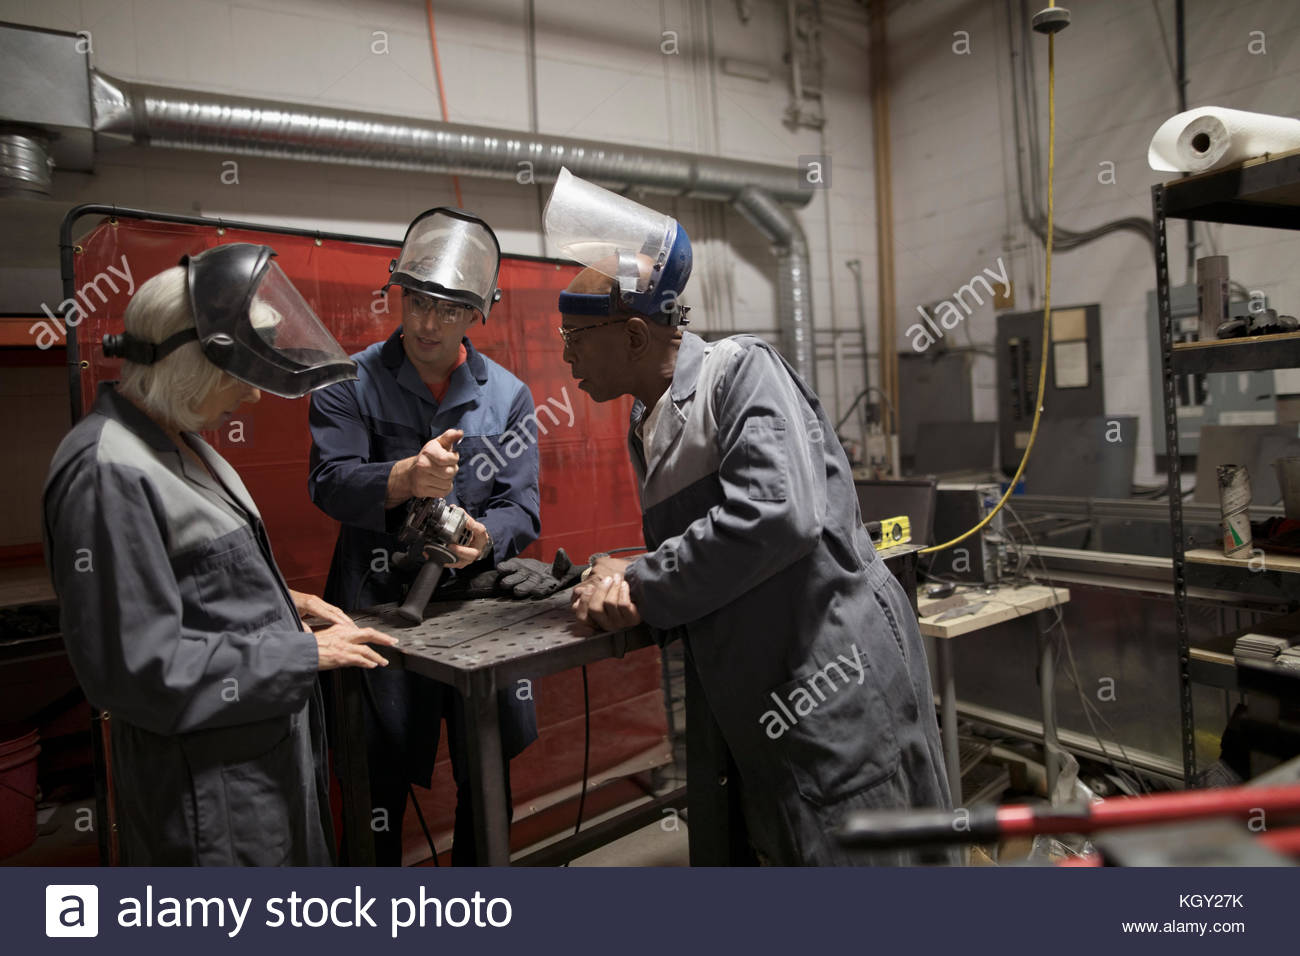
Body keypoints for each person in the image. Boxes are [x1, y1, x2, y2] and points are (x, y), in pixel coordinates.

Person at [545, 168, 952, 866]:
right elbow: (712, 548)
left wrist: (640, 587)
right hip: (765, 698)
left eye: (578, 339)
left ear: (637, 336)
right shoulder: (649, 424)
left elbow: (775, 517)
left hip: (832, 682)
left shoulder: (739, 373)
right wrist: (630, 569)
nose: (566, 356)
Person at [43, 245, 397, 866]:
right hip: (210, 800)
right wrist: (299, 652)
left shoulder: (180, 444)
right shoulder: (109, 472)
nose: (255, 399)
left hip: (256, 769)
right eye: (241, 377)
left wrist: (286, 603)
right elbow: (136, 668)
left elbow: (189, 587)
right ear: (188, 366)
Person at [308, 208, 540, 865]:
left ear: (477, 314)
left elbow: (521, 504)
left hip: (476, 613)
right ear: (399, 296)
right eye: (416, 303)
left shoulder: (510, 397)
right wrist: (406, 476)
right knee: (372, 783)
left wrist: (484, 533)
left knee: (487, 779)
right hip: (374, 611)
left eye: (448, 310)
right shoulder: (346, 383)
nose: (427, 324)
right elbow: (329, 483)